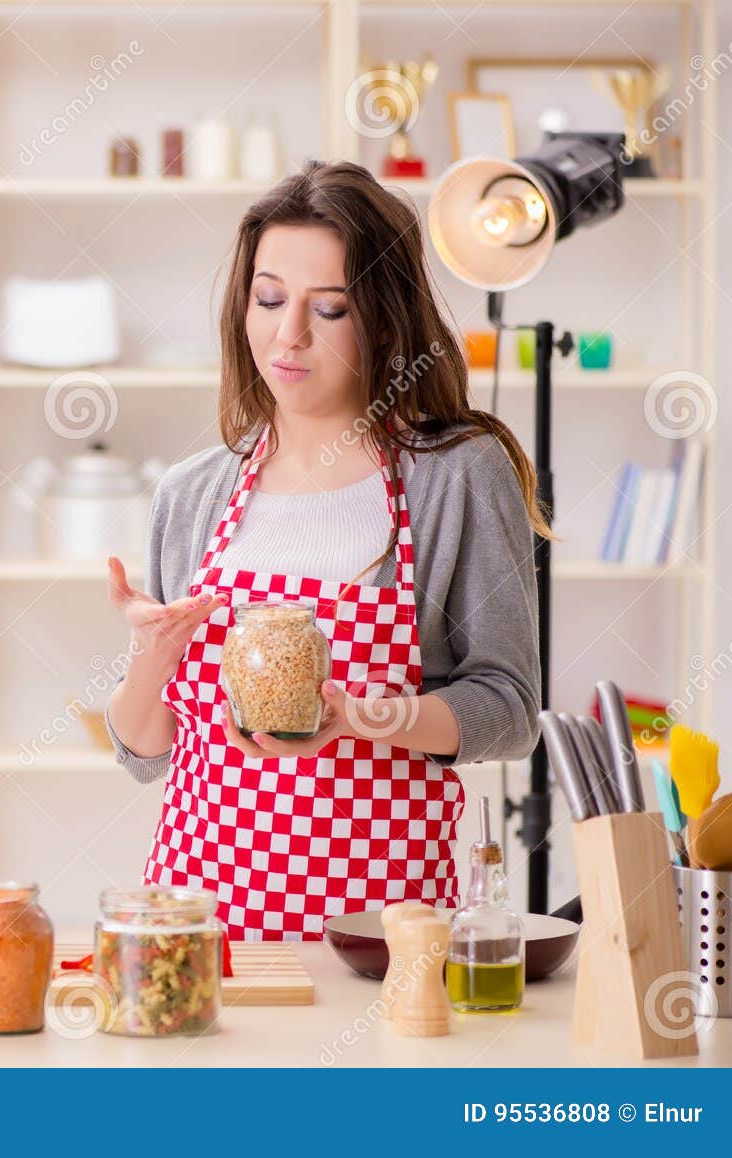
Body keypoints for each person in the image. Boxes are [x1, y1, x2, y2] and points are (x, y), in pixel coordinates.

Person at [104, 159, 544, 941]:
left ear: (382, 318)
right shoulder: (192, 492)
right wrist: (150, 656)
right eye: (269, 299)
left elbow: (510, 711)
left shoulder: (454, 477)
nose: (289, 334)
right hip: (203, 931)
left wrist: (365, 716)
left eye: (330, 308)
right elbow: (145, 754)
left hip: (382, 934)